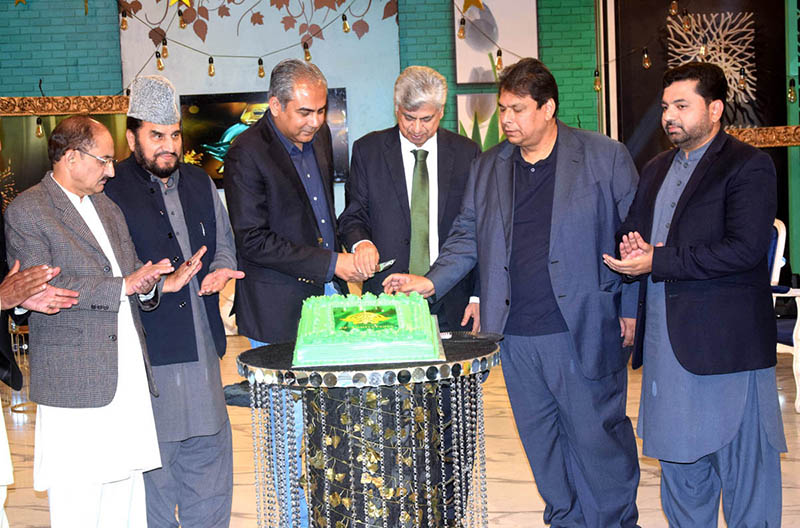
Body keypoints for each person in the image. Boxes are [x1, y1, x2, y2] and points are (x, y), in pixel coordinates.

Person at [384, 58, 641, 527]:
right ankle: (565, 520)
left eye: (518, 109)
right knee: (543, 446)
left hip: (579, 326)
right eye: (503, 109)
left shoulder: (604, 157)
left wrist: (631, 307)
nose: (506, 120)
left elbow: (634, 235)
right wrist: (431, 280)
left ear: (548, 109)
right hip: (516, 336)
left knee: (597, 442)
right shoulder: (489, 166)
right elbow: (466, 235)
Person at [603, 62, 786, 527]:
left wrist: (657, 260)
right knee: (682, 480)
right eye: (666, 106)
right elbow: (637, 229)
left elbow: (743, 250)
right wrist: (631, 246)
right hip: (668, 348)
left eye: (682, 106)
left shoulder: (748, 166)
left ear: (716, 109)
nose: (670, 116)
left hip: (729, 352)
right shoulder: (656, 167)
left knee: (747, 482)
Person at [4, 115, 204, 527]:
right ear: (71, 157)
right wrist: (123, 285)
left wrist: (158, 284)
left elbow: (130, 276)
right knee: (79, 499)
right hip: (75, 379)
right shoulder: (30, 209)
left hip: (127, 371)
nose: (112, 171)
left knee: (127, 496)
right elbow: (46, 287)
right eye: (104, 161)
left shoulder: (108, 207)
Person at [224, 59, 366, 526]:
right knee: (286, 433)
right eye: (304, 112)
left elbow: (322, 215)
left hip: (327, 302)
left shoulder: (320, 138)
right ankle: (295, 521)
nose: (316, 122)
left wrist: (349, 251)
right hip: (277, 310)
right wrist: (332, 263)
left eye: (321, 111)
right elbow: (252, 238)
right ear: (275, 105)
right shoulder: (246, 152)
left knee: (331, 426)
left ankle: (331, 515)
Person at [105, 75, 243, 527]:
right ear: (132, 137)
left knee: (210, 477)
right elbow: (107, 276)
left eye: (175, 134)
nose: (169, 146)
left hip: (203, 358)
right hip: (147, 364)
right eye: (156, 136)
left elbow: (223, 240)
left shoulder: (201, 182)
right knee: (154, 487)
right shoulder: (108, 193)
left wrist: (221, 268)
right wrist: (156, 285)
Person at [338, 65, 480, 331]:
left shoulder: (466, 153)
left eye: (426, 119)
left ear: (441, 112)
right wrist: (362, 243)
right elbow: (353, 214)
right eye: (408, 117)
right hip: (388, 295)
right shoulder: (368, 151)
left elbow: (479, 230)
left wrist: (477, 296)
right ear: (396, 108)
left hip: (452, 295)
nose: (416, 128)